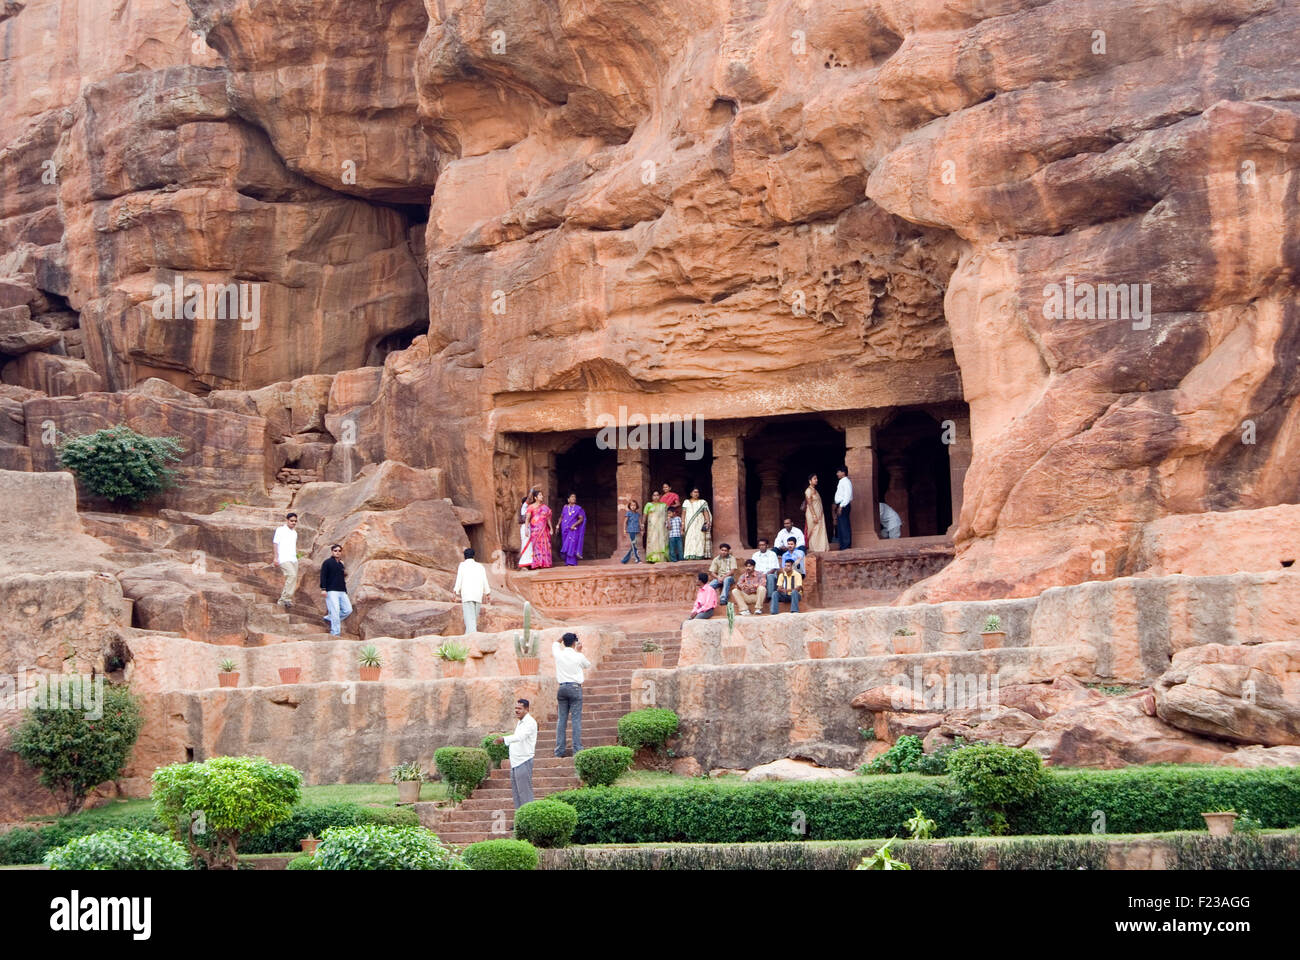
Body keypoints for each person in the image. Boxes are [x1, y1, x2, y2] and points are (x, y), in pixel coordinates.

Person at [553, 632, 591, 757]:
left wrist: (561, 638)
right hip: (575, 688)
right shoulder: (578, 656)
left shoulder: (559, 653)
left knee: (561, 720)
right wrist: (579, 651)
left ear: (564, 642)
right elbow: (587, 665)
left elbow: (555, 643)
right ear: (575, 643)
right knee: (575, 720)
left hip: (562, 688)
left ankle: (559, 751)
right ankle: (577, 749)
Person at [494, 699, 537, 809]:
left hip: (524, 761)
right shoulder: (521, 722)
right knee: (517, 794)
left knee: (525, 793)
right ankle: (519, 821)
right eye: (516, 708)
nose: (516, 711)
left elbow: (520, 737)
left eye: (519, 708)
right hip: (516, 762)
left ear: (527, 709)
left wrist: (503, 739)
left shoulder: (530, 722)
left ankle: (528, 821)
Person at [453, 546, 491, 633]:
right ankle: (470, 638)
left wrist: (455, 591)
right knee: (473, 619)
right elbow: (485, 580)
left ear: (464, 556)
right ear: (473, 556)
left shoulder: (462, 565)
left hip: (467, 595)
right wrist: (488, 593)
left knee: (470, 620)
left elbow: (459, 580)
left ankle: (472, 638)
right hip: (478, 595)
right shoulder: (480, 566)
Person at [319, 543, 352, 635]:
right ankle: (335, 633)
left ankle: (329, 618)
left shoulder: (341, 564)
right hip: (331, 590)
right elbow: (323, 576)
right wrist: (323, 589)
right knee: (335, 611)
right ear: (332, 552)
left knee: (348, 610)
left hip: (342, 591)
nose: (337, 552)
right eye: (335, 551)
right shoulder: (327, 562)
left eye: (339, 551)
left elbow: (342, 576)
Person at [272, 512, 299, 608]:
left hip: (293, 558)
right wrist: (276, 557)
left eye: (295, 521)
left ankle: (286, 599)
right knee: (291, 575)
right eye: (292, 521)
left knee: (293, 578)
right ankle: (283, 599)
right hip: (283, 558)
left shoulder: (295, 533)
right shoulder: (280, 530)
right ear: (287, 520)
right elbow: (275, 543)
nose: (293, 523)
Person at [523, 490, 554, 569]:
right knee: (536, 546)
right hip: (535, 530)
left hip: (544, 529)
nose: (542, 496)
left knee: (545, 545)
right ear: (535, 497)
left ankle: (545, 562)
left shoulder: (545, 507)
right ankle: (537, 563)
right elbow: (527, 519)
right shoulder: (531, 507)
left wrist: (551, 528)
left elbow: (548, 519)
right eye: (540, 495)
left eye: (542, 495)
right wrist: (526, 529)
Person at [682, 487, 712, 560]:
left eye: (697, 492)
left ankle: (699, 555)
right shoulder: (686, 502)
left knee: (699, 538)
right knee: (689, 538)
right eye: (694, 492)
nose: (696, 494)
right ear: (691, 493)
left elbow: (706, 512)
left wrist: (707, 522)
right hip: (689, 524)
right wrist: (682, 524)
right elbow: (683, 513)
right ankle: (689, 555)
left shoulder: (702, 502)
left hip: (699, 523)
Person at [804, 474, 829, 553]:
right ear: (810, 481)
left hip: (819, 514)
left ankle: (821, 547)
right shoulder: (808, 491)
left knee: (820, 530)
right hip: (812, 514)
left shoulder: (816, 490)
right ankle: (814, 549)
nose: (816, 480)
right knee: (814, 531)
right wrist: (814, 515)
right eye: (814, 479)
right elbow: (810, 504)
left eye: (816, 478)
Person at [559, 493, 586, 566]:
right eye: (572, 497)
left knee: (572, 544)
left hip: (573, 529)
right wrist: (557, 525)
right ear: (568, 499)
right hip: (565, 529)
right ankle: (567, 562)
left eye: (575, 497)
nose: (574, 498)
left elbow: (581, 519)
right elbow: (561, 517)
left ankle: (572, 562)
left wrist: (574, 524)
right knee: (566, 544)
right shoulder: (565, 508)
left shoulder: (578, 508)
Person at [643, 492, 668, 563]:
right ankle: (652, 558)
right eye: (654, 495)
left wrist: (668, 523)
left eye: (657, 495)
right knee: (653, 540)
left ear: (660, 496)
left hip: (662, 527)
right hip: (652, 528)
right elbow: (645, 515)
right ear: (652, 496)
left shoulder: (664, 505)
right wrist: (642, 524)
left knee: (661, 540)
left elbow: (667, 515)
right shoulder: (648, 505)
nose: (656, 497)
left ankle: (662, 558)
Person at [517, 489, 538, 569]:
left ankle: (530, 562)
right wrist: (532, 490)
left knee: (530, 545)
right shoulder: (524, 507)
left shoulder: (529, 509)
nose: (529, 503)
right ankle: (523, 563)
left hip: (529, 527)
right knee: (526, 544)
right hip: (525, 528)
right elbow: (529, 499)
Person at [833, 465, 853, 549]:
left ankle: (846, 545)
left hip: (843, 505)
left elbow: (847, 496)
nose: (837, 473)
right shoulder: (842, 481)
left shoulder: (846, 481)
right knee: (841, 525)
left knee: (844, 525)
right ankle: (842, 545)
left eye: (838, 472)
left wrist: (841, 506)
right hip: (840, 505)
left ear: (843, 473)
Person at [621, 498, 642, 563]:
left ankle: (624, 560)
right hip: (631, 531)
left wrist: (642, 530)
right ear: (629, 506)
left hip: (637, 531)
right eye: (631, 505)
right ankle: (637, 559)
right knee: (634, 545)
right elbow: (625, 522)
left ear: (636, 506)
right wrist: (624, 530)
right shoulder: (628, 513)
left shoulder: (637, 514)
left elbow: (640, 523)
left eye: (634, 505)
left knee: (633, 546)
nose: (633, 507)